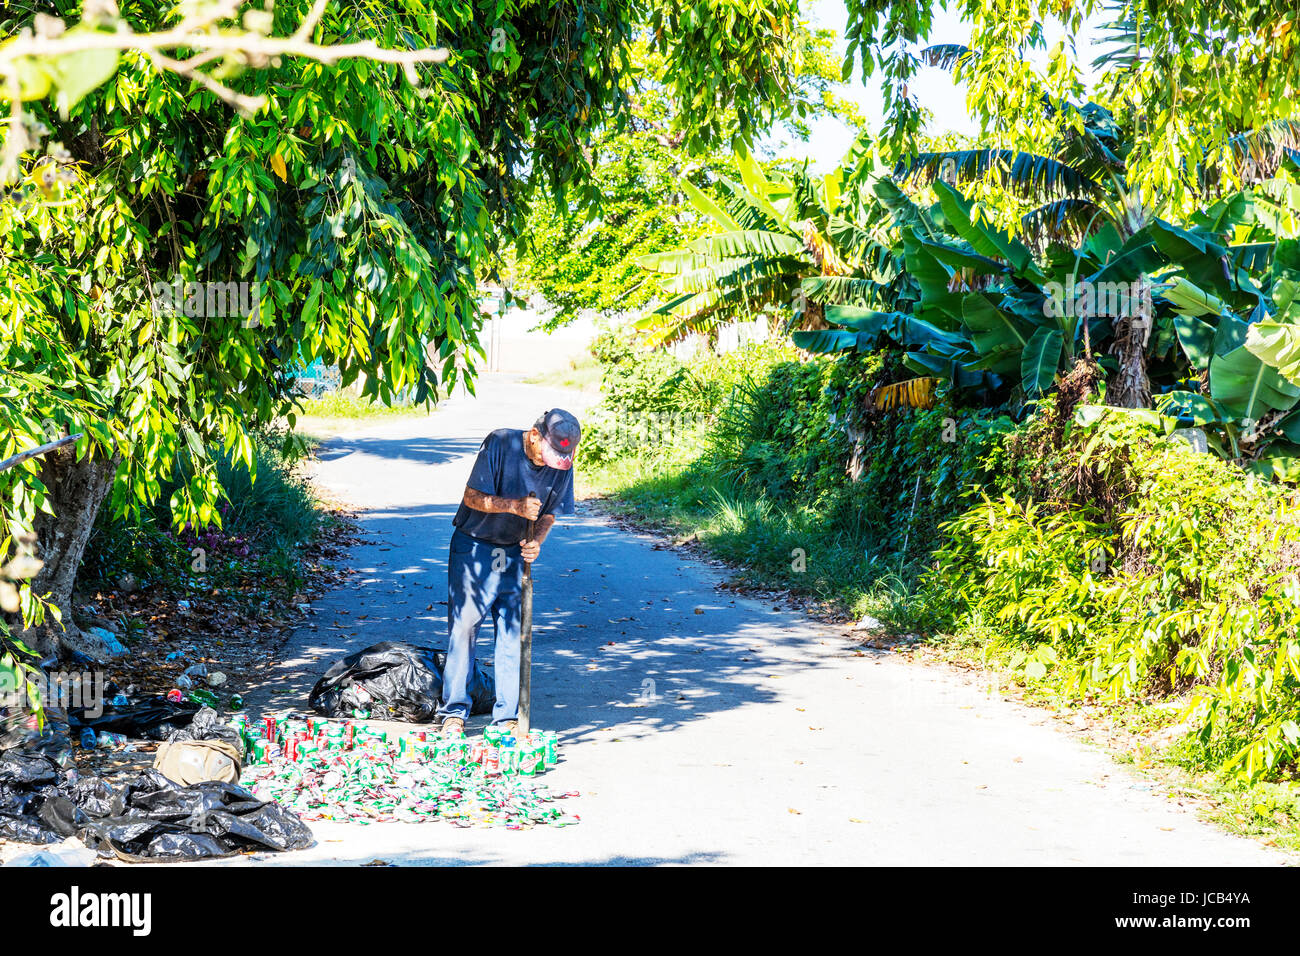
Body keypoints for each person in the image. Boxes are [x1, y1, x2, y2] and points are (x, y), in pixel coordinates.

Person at [436, 408, 581, 736]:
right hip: (474, 546)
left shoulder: (562, 465)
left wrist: (536, 543)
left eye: (562, 457)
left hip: (512, 552)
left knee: (512, 630)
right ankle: (454, 713)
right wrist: (513, 506)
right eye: (549, 455)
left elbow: (549, 514)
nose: (552, 464)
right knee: (465, 628)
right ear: (534, 436)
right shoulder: (501, 443)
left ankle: (506, 718)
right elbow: (471, 497)